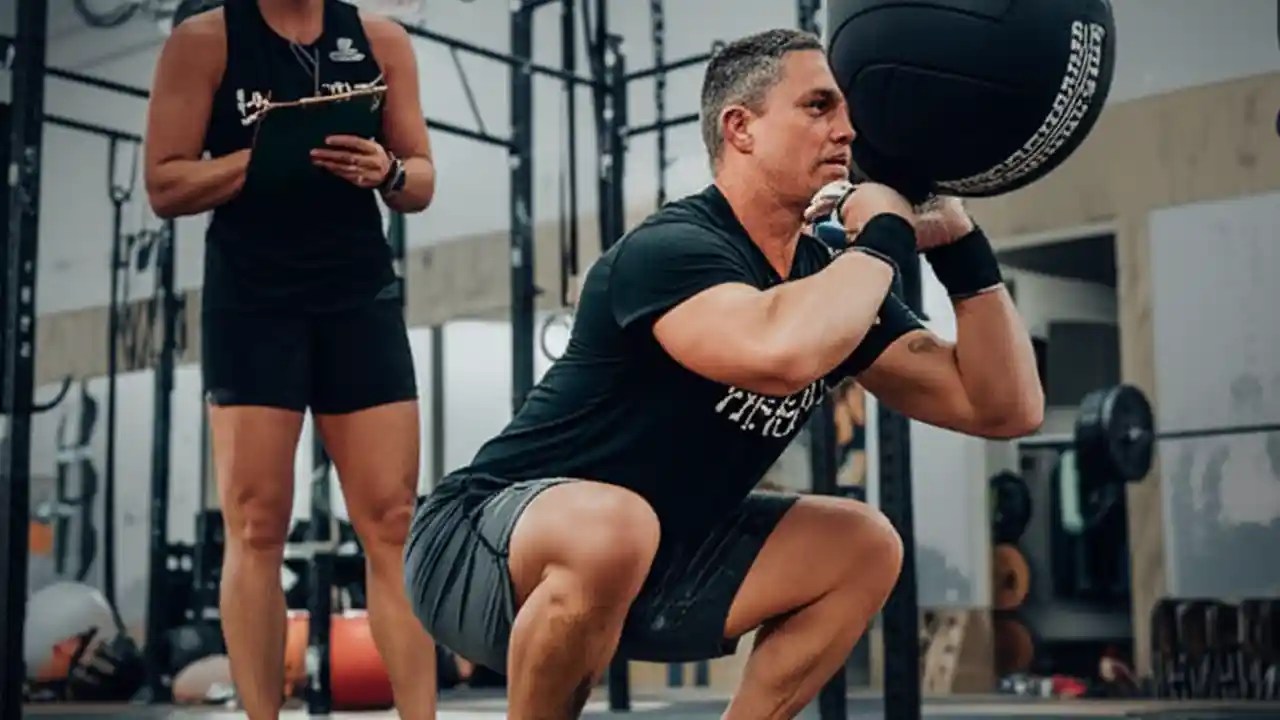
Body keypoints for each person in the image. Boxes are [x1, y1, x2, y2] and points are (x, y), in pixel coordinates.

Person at [404, 27, 1044, 718]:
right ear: (740, 128)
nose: (848, 130)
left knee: (863, 546)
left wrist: (959, 250)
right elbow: (778, 352)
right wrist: (885, 234)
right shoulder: (673, 248)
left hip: (656, 556)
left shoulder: (827, 280)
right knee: (615, 526)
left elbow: (1001, 407)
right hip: (476, 549)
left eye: (847, 110)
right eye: (819, 107)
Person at [143, 1, 438, 718]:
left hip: (356, 291)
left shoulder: (381, 41)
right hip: (254, 297)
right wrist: (267, 156)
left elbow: (422, 180)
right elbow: (165, 184)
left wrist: (388, 169)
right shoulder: (203, 41)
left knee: (394, 521)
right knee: (255, 525)